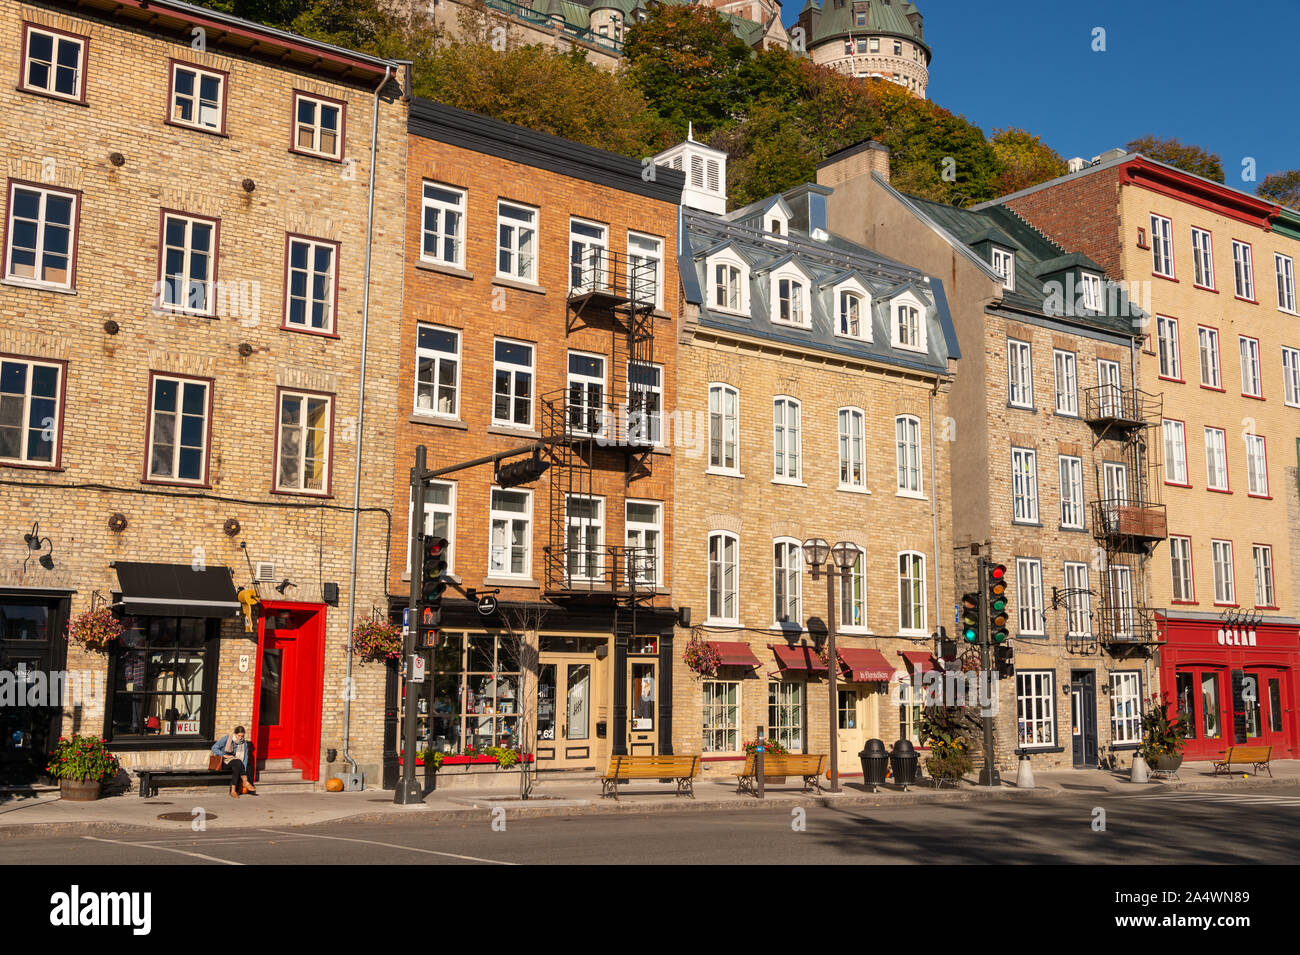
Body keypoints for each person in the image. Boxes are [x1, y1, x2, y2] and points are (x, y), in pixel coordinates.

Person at [212, 726, 256, 798]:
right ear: (235, 734)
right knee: (237, 762)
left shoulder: (243, 743)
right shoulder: (227, 738)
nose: (240, 738)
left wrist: (243, 770)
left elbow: (245, 758)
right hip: (224, 762)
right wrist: (224, 755)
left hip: (237, 763)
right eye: (239, 735)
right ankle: (245, 781)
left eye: (242, 736)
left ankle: (233, 791)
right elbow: (214, 748)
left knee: (237, 766)